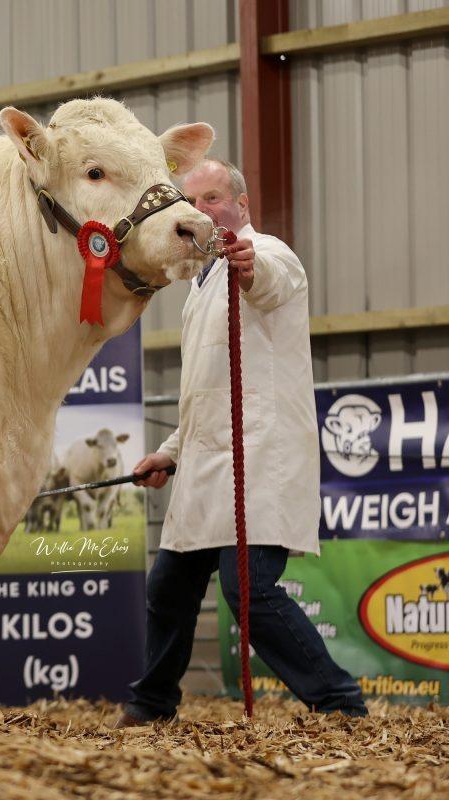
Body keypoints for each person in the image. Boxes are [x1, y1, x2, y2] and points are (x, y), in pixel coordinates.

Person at [115, 159, 367, 725]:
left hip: (259, 459)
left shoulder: (272, 252)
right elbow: (205, 392)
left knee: (250, 591)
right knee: (169, 589)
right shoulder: (197, 286)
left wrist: (250, 268)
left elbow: (269, 281)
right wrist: (170, 453)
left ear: (242, 204)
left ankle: (338, 701)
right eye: (191, 202)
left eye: (212, 198)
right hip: (207, 468)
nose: (200, 210)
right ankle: (152, 703)